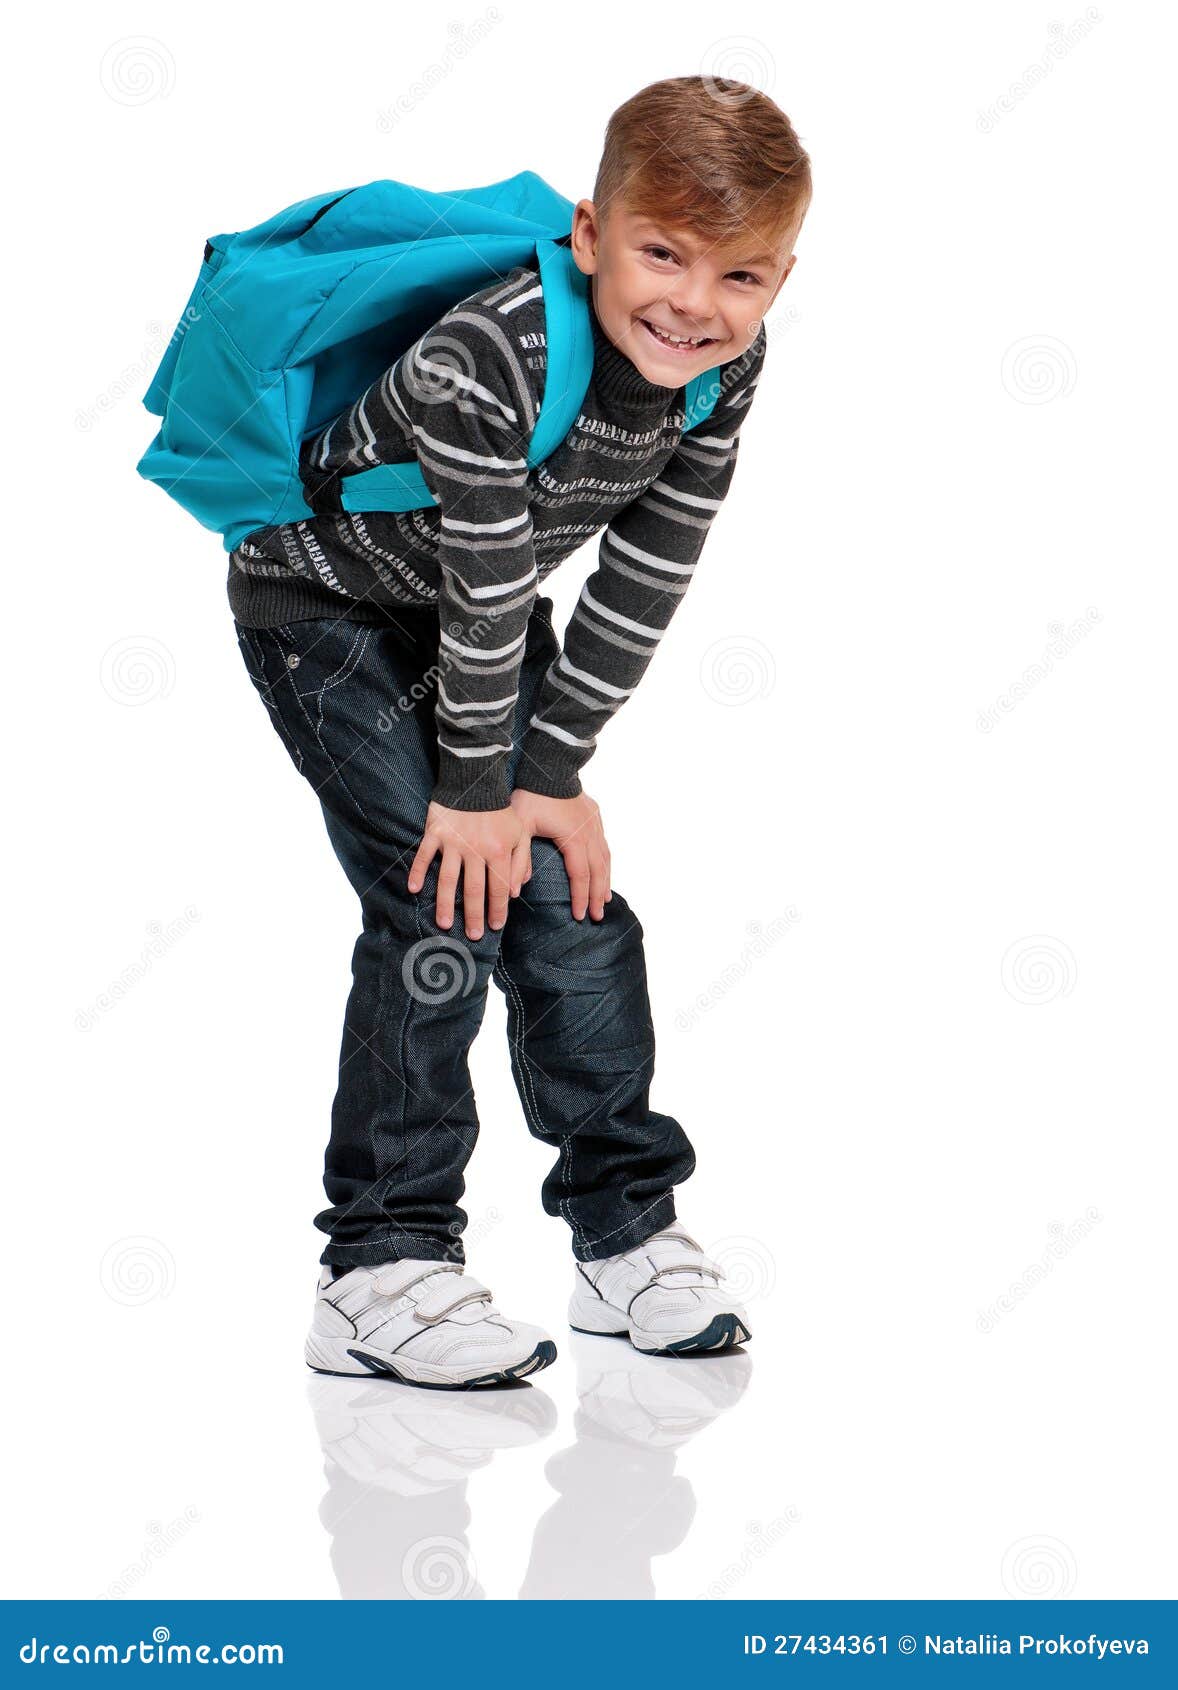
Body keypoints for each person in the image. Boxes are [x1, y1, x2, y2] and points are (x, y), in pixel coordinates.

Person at [229, 75, 811, 1387]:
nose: (696, 304)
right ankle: (380, 1261)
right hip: (324, 607)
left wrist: (547, 778)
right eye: (663, 254)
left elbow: (648, 569)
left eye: (743, 276)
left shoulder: (722, 366)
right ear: (592, 233)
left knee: (566, 897)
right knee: (443, 897)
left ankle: (622, 1231)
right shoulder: (490, 353)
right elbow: (493, 572)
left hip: (473, 622)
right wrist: (481, 789)